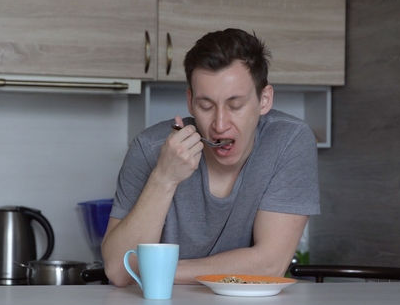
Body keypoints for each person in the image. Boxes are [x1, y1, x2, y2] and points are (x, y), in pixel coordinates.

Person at [102, 28, 320, 287]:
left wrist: (156, 271)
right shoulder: (149, 148)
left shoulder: (289, 141)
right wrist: (164, 178)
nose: (219, 124)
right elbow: (118, 269)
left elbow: (269, 264)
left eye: (235, 106)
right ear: (190, 102)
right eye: (206, 106)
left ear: (264, 99)